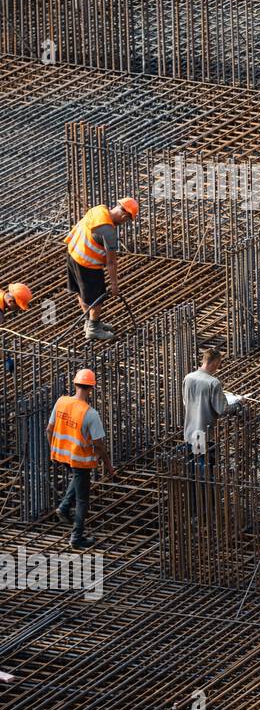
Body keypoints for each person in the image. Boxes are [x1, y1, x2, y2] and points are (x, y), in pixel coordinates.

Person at [47, 368, 113, 549]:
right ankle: (76, 537)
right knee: (83, 499)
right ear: (92, 388)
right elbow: (99, 445)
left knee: (76, 481)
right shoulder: (90, 414)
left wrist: (53, 449)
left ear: (75, 384)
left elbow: (49, 430)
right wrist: (109, 466)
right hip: (80, 460)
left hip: (61, 455)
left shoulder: (61, 402)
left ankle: (64, 506)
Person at [66, 197, 139, 341]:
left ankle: (91, 322)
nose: (124, 223)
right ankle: (93, 328)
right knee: (97, 299)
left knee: (82, 293)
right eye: (126, 220)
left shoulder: (99, 209)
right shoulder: (108, 232)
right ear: (124, 215)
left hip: (73, 254)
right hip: (87, 263)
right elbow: (111, 262)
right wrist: (114, 285)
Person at [183, 348, 237, 465]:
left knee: (192, 470)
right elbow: (222, 409)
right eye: (218, 364)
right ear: (214, 363)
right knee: (204, 472)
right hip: (203, 434)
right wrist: (238, 404)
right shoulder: (213, 382)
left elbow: (186, 401)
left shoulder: (188, 378)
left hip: (189, 432)